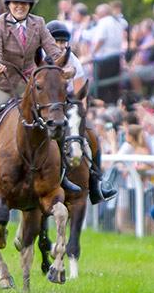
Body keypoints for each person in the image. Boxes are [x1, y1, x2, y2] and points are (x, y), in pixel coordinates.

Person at [0, 0, 71, 203]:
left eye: (24, 4)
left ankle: (63, 173)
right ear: (9, 5)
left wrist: (65, 66)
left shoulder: (39, 24)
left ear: (30, 6)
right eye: (16, 3)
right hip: (2, 84)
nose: (20, 7)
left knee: (58, 120)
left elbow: (52, 49)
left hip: (31, 87)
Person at [46, 20, 117, 203]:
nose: (61, 45)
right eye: (56, 41)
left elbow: (79, 93)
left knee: (92, 134)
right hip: (44, 107)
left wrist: (80, 114)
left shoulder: (73, 61)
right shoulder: (39, 57)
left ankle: (97, 182)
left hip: (67, 106)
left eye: (63, 41)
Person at [90, 3, 123, 104]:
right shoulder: (117, 22)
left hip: (105, 59)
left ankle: (103, 106)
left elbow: (100, 39)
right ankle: (113, 104)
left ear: (101, 13)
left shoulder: (103, 22)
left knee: (101, 87)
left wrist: (92, 53)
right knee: (113, 86)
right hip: (116, 57)